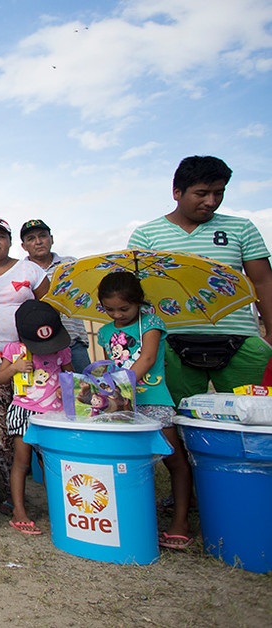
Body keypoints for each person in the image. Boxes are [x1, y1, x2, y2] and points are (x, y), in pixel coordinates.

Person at [128, 155, 272, 404]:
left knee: (253, 414)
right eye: (202, 193)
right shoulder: (146, 235)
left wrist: (270, 336)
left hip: (240, 341)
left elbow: (263, 281)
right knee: (178, 416)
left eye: (219, 193)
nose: (211, 201)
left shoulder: (241, 228)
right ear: (177, 192)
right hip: (171, 343)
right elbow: (134, 291)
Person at [97, 271, 193, 549]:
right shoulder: (105, 332)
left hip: (153, 399)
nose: (117, 315)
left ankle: (181, 521)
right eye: (110, 309)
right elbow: (109, 366)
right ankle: (133, 516)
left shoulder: (151, 323)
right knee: (129, 460)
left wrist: (120, 385)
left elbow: (148, 358)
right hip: (122, 404)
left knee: (173, 460)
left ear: (138, 301)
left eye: (124, 308)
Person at [0, 217, 49, 489]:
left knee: (38, 421)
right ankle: (11, 493)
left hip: (30, 357)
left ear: (10, 241)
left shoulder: (29, 269)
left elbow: (49, 309)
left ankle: (49, 489)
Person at [0, 300, 73, 535]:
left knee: (50, 462)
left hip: (53, 416)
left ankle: (60, 509)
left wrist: (65, 389)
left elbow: (71, 378)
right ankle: (19, 510)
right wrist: (15, 367)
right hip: (24, 411)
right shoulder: (14, 350)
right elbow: (0, 378)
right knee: (22, 461)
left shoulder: (62, 350)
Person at [20, 219, 92, 372]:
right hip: (38, 347)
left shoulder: (71, 264)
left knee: (84, 386)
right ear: (23, 246)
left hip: (74, 343)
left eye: (42, 236)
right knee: (45, 388)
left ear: (51, 239)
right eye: (31, 238)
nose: (38, 242)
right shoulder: (20, 271)